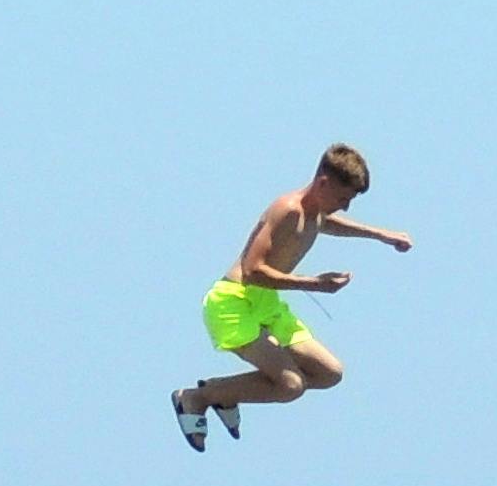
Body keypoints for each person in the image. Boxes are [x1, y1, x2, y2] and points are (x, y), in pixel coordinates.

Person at [171, 143, 414, 450]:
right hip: (233, 304)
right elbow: (251, 271)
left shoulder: (315, 213)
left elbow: (329, 224)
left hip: (266, 306)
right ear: (323, 183)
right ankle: (196, 398)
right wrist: (314, 284)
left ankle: (225, 393)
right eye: (343, 198)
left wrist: (382, 235)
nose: (345, 206)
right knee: (290, 386)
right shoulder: (287, 209)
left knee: (329, 374)